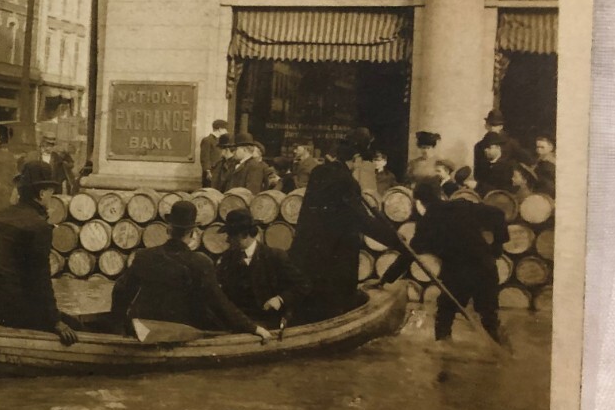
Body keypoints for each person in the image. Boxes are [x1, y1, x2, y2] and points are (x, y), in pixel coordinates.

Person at [111, 201, 270, 340]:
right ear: (193, 233)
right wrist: (254, 328)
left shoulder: (144, 256)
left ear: (169, 229)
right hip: (180, 333)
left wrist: (118, 326)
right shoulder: (200, 263)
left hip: (143, 330)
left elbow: (120, 289)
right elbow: (220, 304)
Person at [288, 135, 395, 324]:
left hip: (308, 252)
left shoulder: (318, 172)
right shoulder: (347, 182)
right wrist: (394, 240)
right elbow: (363, 220)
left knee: (308, 306)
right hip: (335, 256)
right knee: (333, 309)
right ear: (355, 159)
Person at [0, 160, 78, 344]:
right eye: (51, 193)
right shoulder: (39, 227)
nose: (52, 197)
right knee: (76, 326)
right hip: (17, 313)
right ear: (42, 193)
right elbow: (40, 280)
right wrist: (55, 322)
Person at [410, 180, 507, 342]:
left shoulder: (426, 222)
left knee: (444, 317)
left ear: (420, 201)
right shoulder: (462, 206)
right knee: (490, 319)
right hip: (485, 268)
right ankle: (504, 357)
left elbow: (409, 254)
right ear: (440, 195)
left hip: (458, 273)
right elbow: (499, 214)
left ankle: (445, 358)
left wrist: (386, 279)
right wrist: (497, 246)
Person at [217, 208, 308, 323]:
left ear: (245, 235)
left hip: (268, 321)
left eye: (231, 235)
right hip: (239, 322)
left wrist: (280, 299)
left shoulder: (274, 256)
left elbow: (303, 285)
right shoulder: (227, 259)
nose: (227, 240)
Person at [474, 110, 530, 177]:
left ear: (501, 127)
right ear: (486, 126)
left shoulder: (511, 144)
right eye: (490, 124)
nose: (492, 128)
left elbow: (525, 161)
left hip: (506, 182)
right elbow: (477, 172)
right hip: (486, 183)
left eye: (495, 125)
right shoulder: (480, 146)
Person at [199, 119, 228, 187]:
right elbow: (205, 157)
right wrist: (208, 171)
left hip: (219, 172)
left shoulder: (221, 140)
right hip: (211, 173)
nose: (226, 132)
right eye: (225, 129)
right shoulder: (207, 140)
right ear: (220, 129)